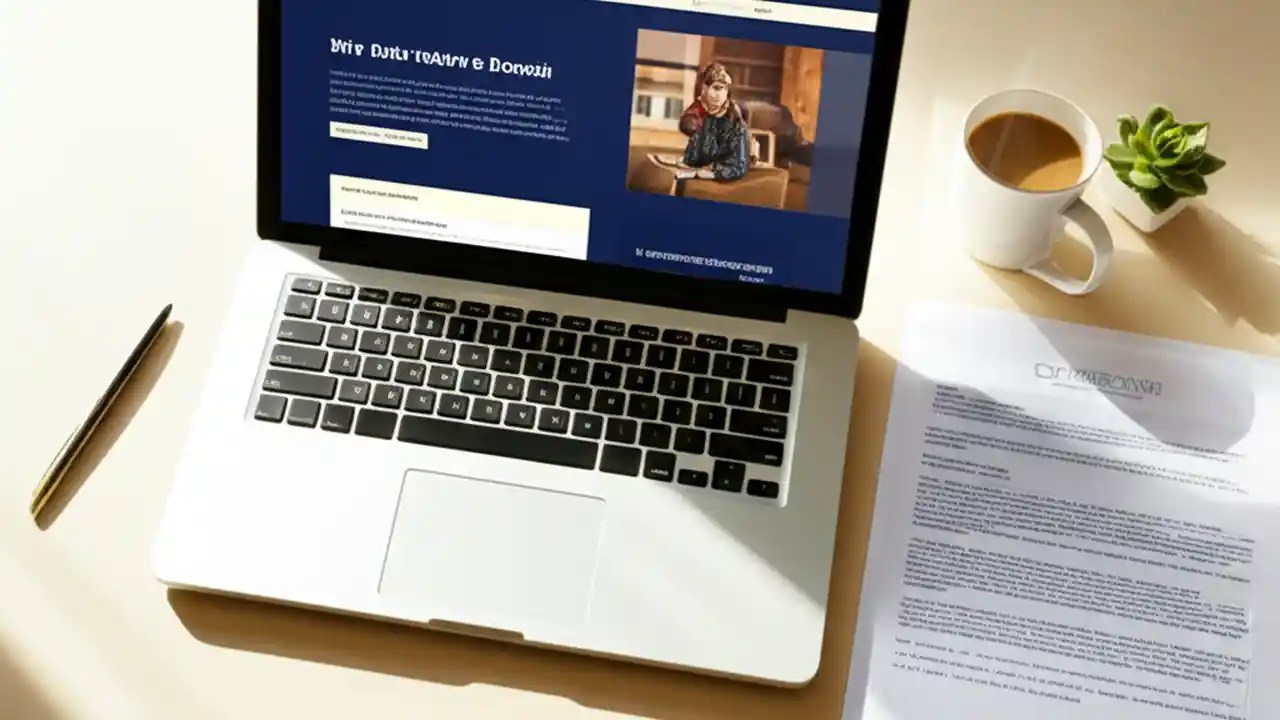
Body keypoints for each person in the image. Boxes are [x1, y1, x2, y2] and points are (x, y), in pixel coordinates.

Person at [676, 62, 750, 181]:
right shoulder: (701, 116)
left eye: (722, 89)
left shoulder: (736, 124)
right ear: (704, 90)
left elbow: (739, 166)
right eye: (714, 88)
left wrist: (713, 173)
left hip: (724, 184)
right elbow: (694, 157)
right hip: (696, 179)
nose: (718, 94)